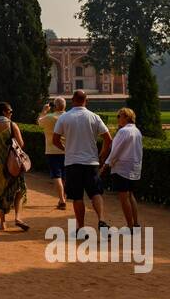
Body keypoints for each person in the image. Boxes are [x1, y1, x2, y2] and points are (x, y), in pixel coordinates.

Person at [52, 90, 111, 234]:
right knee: (95, 193)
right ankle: (102, 220)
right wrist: (101, 155)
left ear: (72, 100)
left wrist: (66, 149)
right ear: (87, 100)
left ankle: (81, 228)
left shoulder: (65, 118)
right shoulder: (94, 117)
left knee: (77, 197)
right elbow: (108, 139)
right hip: (91, 162)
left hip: (73, 162)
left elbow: (55, 140)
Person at [0, 102, 28, 231]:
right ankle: (17, 217)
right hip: (11, 162)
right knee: (19, 189)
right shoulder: (12, 125)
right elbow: (21, 144)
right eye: (10, 111)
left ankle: (2, 222)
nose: (11, 113)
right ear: (4, 112)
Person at [101, 107, 143, 228]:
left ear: (126, 117)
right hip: (133, 167)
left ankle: (130, 226)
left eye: (119, 116)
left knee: (124, 198)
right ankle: (135, 224)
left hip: (122, 168)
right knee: (130, 195)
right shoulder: (137, 131)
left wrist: (106, 164)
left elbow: (115, 151)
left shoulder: (123, 131)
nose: (118, 119)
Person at [38, 98, 68, 210]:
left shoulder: (49, 117)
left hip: (52, 150)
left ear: (54, 106)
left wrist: (44, 110)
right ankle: (63, 197)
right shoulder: (69, 117)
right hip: (67, 150)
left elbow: (39, 121)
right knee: (64, 175)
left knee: (57, 175)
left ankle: (62, 199)